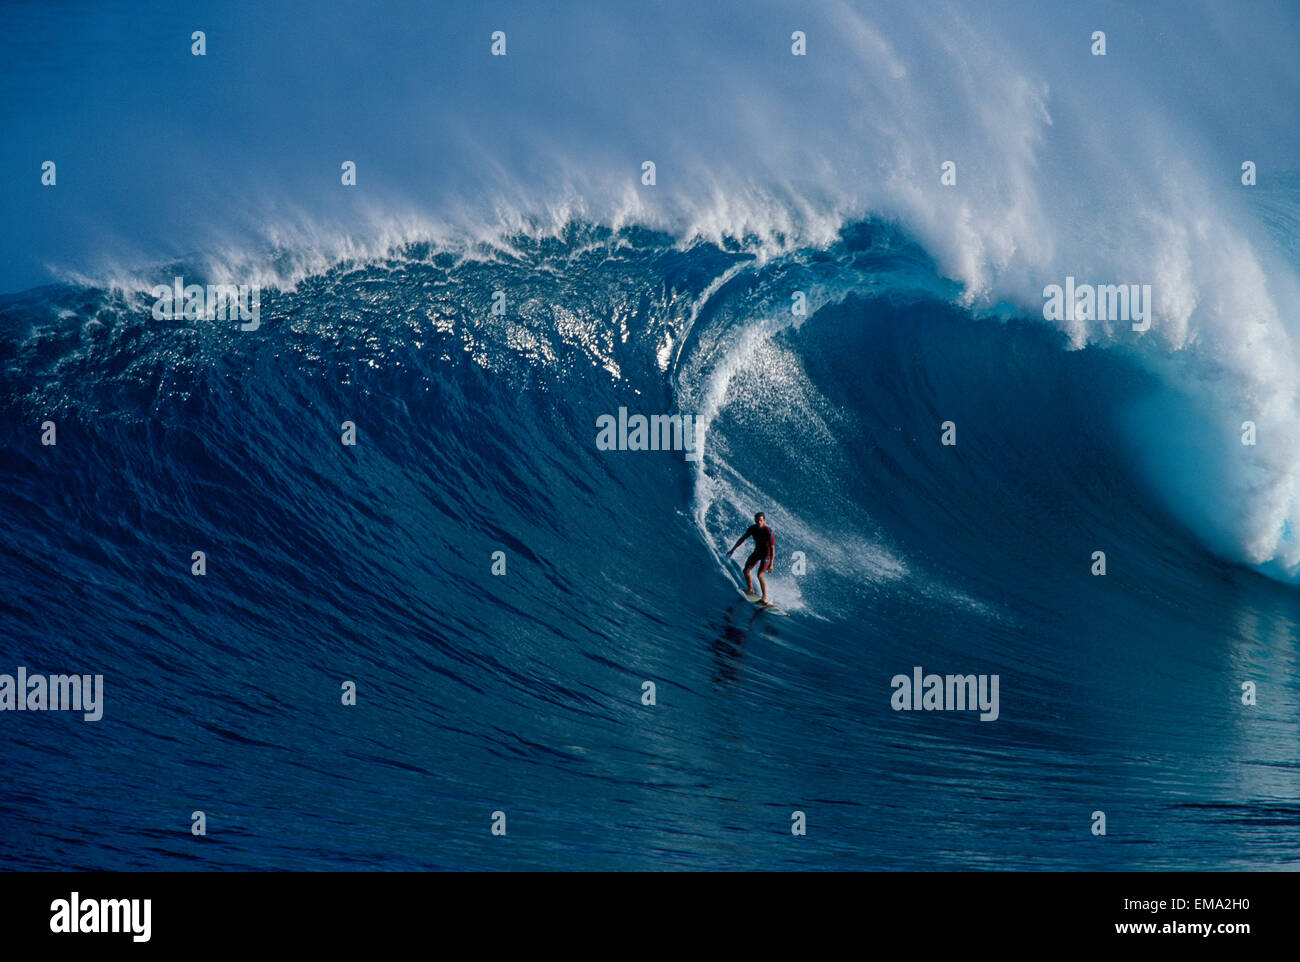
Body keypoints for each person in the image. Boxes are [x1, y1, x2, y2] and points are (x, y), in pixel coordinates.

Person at [727, 512, 775, 605]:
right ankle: (750, 589)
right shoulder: (752, 529)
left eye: (761, 520)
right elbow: (742, 539)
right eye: (757, 520)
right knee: (745, 571)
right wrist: (733, 549)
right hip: (757, 553)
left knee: (760, 575)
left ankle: (764, 597)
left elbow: (773, 548)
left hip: (766, 555)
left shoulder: (768, 532)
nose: (759, 522)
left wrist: (771, 564)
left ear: (764, 521)